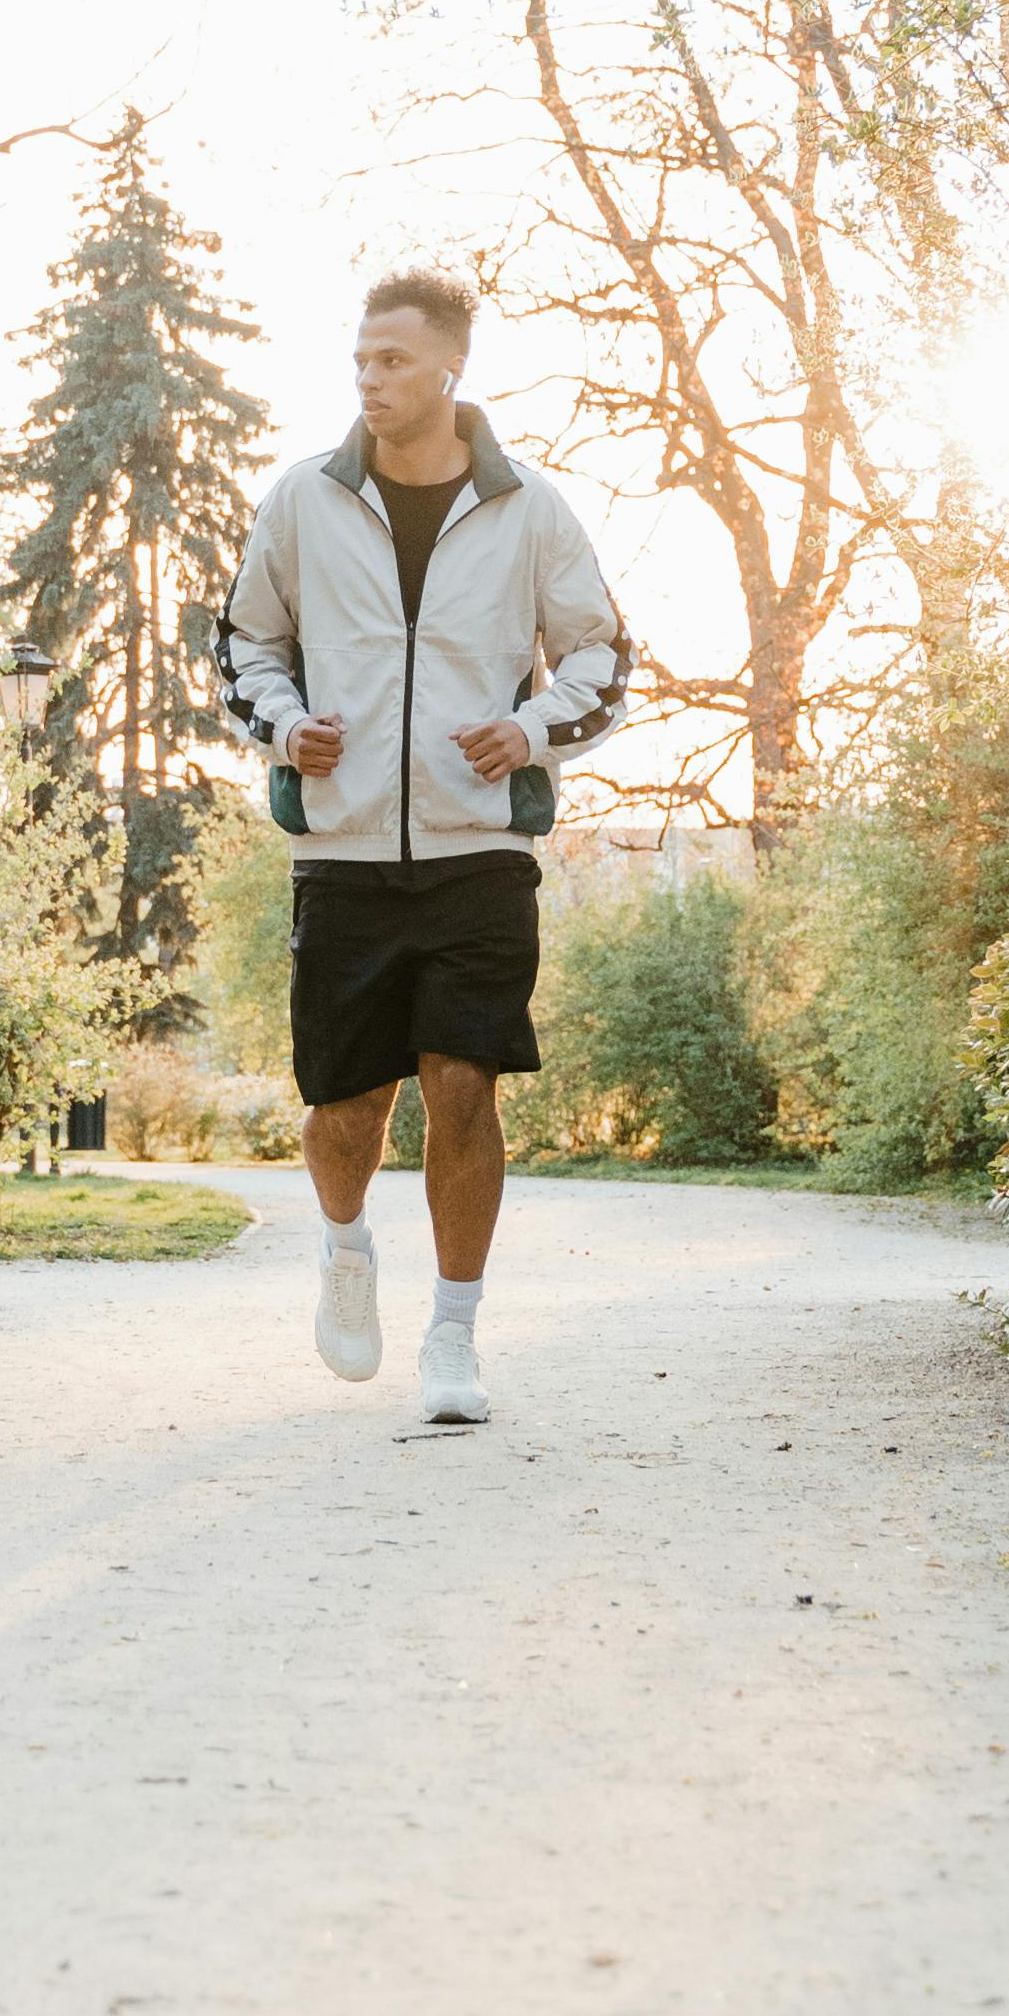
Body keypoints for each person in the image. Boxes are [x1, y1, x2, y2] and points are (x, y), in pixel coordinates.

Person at [214, 272, 631, 1426]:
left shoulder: (529, 510)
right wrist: (284, 723)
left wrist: (534, 727)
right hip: (341, 856)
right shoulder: (302, 499)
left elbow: (601, 657)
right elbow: (241, 645)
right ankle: (346, 1249)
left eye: (392, 360)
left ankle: (453, 1335)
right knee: (348, 1110)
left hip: (476, 853)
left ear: (448, 369)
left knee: (461, 1085)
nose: (369, 378)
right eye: (360, 359)